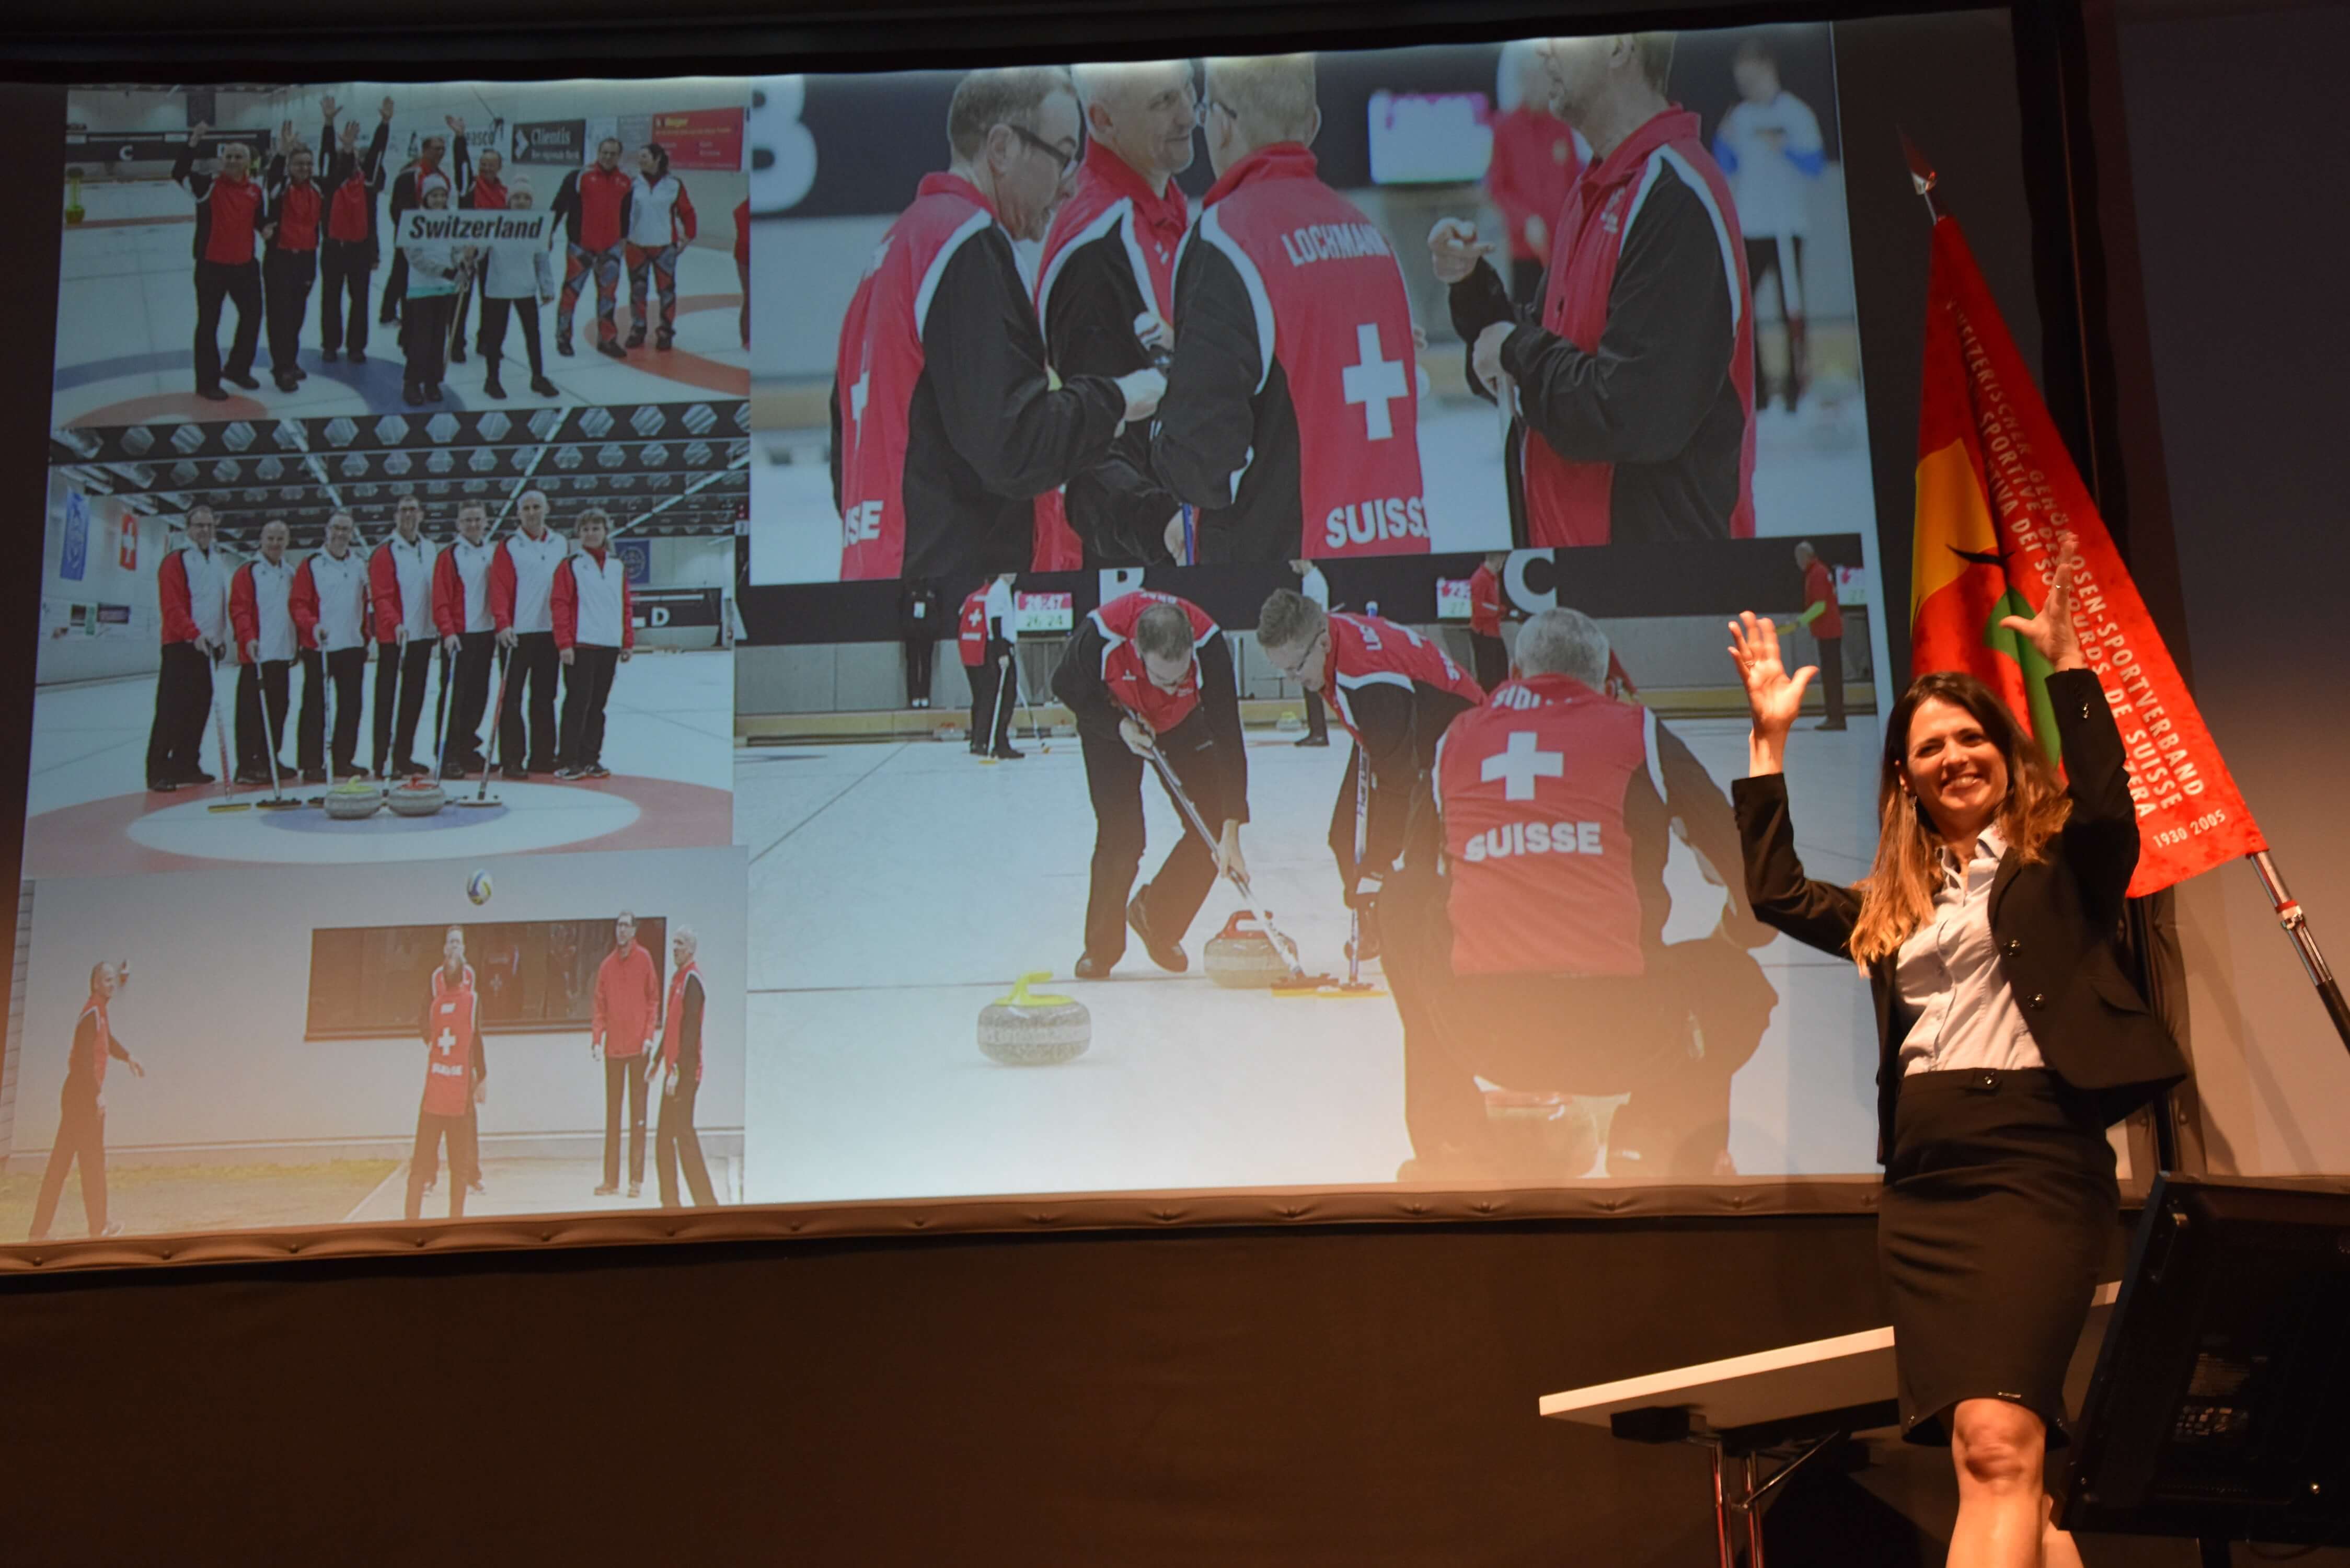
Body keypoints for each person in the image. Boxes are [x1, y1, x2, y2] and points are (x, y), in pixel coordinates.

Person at [1727, 567, 2187, 1568]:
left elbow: (2109, 812)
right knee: (2019, 1479)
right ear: (1906, 777)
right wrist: (1767, 742)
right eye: (1930, 747)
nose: (1954, 757)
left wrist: (2069, 667)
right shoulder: (1892, 908)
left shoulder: (2060, 869)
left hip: (2034, 1171)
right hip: (1924, 1194)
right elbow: (1774, 894)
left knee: (1995, 1448)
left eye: (1970, 737)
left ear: (2005, 755)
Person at [1387, 608, 1773, 1177]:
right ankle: (1655, 1144)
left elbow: (1417, 879)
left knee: (1400, 898)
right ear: (1604, 683)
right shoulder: (1638, 733)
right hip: (1624, 1032)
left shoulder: (1457, 740)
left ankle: (1450, 1143)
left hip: (1481, 1028)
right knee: (1737, 988)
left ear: (1513, 673)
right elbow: (1756, 885)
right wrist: (1732, 936)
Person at [829, 65, 1161, 583]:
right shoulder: (966, 243)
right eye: (1062, 155)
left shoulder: (891, 255)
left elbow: (844, 469)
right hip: (950, 600)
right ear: (1002, 149)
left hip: (880, 581)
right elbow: (1014, 447)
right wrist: (1120, 399)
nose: (1070, 185)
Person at [1431, 32, 1756, 547]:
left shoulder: (1674, 195)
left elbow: (1629, 414)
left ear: (1619, 47)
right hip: (1585, 574)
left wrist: (1514, 350)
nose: (1544, 52)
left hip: (1659, 583)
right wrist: (1473, 292)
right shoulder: (1597, 187)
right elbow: (1547, 347)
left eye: (1561, 37)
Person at [1149, 54, 1429, 567]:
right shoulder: (1370, 237)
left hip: (1285, 578)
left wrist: (1161, 423)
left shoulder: (1227, 237)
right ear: (1312, 124)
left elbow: (1199, 458)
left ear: (1221, 123)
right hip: (1395, 558)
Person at [1254, 587, 1484, 956]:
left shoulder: (1368, 683)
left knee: (1416, 847)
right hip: (1399, 725)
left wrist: (1376, 865)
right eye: (1281, 669)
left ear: (1323, 643)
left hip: (1455, 740)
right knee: (1347, 834)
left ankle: (1420, 933)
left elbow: (1398, 781)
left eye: (1295, 668)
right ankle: (1375, 921)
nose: (1292, 678)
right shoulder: (1329, 638)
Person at [1035, 60, 1197, 567]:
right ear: (1102, 120)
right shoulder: (1097, 251)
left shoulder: (1164, 209)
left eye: (1188, 90)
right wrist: (1164, 527)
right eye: (1163, 102)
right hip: (1130, 569)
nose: (1189, 115)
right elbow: (1091, 451)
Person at [1052, 593, 1249, 977]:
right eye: (1161, 678)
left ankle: (1157, 918)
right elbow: (1064, 686)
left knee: (1210, 829)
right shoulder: (1101, 634)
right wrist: (1119, 726)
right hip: (1113, 721)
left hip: (1182, 722)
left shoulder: (1210, 646)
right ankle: (1101, 949)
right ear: (1137, 651)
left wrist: (1232, 830)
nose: (1171, 687)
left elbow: (1229, 734)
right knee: (1122, 836)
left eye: (1180, 678)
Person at [1714, 38, 1824, 414]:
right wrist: (1723, 140)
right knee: (1744, 310)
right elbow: (1725, 166)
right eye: (1740, 81)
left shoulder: (1797, 113)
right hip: (1751, 226)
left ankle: (1797, 392)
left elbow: (1815, 166)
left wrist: (1784, 146)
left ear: (1768, 70)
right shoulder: (1740, 116)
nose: (1746, 87)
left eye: (1751, 79)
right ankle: (1757, 394)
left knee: (1791, 308)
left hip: (1787, 225)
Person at [27, 962, 145, 1242]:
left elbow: (107, 1043)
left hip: (77, 1096)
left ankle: (40, 1232)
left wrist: (128, 1057)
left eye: (113, 980)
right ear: (95, 984)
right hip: (81, 1097)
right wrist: (96, 1094)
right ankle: (96, 1227)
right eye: (107, 980)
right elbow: (82, 1059)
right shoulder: (92, 1013)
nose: (112, 984)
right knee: (89, 1162)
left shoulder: (99, 1013)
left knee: (65, 1163)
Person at [1484, 41, 1585, 307]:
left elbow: (1575, 183)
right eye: (1531, 79)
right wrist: (1526, 220)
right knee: (1528, 311)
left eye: (1542, 79)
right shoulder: (1505, 129)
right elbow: (1497, 188)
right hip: (1525, 250)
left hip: (1562, 248)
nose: (1538, 86)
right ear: (1522, 82)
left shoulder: (1562, 129)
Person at [170, 126, 264, 402]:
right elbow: (179, 173)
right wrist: (193, 142)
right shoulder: (207, 186)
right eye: (228, 156)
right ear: (222, 160)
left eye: (238, 157)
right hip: (212, 268)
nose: (232, 161)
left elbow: (259, 220)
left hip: (245, 267)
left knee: (252, 317)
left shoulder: (256, 191)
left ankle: (237, 369)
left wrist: (267, 229)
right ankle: (207, 382)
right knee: (209, 323)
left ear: (248, 162)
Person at [145, 505, 231, 792]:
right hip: (182, 646)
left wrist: (219, 638)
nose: (205, 531)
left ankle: (186, 763)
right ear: (188, 528)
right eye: (199, 525)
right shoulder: (176, 560)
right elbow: (172, 606)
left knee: (198, 709)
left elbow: (216, 603)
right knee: (172, 709)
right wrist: (193, 634)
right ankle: (158, 769)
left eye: (209, 526)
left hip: (208, 648)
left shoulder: (216, 560)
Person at [407, 927, 488, 1221]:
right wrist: (482, 1074)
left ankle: (411, 1220)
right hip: (457, 1090)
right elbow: (476, 1037)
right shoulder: (470, 1001)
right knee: (457, 1165)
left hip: (437, 1086)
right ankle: (455, 1219)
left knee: (421, 1159)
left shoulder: (438, 1005)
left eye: (458, 943)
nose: (454, 947)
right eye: (451, 942)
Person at [552, 506, 634, 780]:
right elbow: (560, 604)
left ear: (605, 532)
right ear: (578, 534)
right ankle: (568, 759)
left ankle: (591, 758)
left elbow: (625, 604)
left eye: (596, 529)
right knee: (578, 703)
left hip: (608, 645)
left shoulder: (616, 566)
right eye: (585, 529)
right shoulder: (571, 565)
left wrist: (627, 640)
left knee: (598, 706)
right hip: (581, 645)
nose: (591, 534)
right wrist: (564, 643)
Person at [489, 490, 568, 776]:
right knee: (512, 699)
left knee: (545, 697)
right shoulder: (510, 545)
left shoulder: (560, 543)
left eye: (537, 507)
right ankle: (512, 759)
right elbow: (498, 587)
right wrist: (503, 623)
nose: (532, 513)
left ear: (547, 510)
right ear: (518, 513)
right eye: (526, 508)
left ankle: (543, 756)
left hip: (549, 632)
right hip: (517, 634)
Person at [290, 510, 371, 781]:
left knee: (351, 706)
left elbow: (367, 602)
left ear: (352, 533)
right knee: (315, 706)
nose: (340, 534)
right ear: (327, 530)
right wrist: (313, 626)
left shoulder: (358, 565)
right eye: (336, 528)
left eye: (346, 529)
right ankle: (311, 763)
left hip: (352, 646)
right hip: (320, 648)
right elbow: (298, 603)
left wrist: (366, 635)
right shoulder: (312, 564)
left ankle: (343, 760)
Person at [590, 911, 660, 1198]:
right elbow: (599, 1006)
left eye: (626, 926)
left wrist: (649, 1036)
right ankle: (610, 1180)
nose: (621, 930)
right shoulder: (607, 966)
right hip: (614, 1050)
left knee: (638, 1116)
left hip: (638, 1049)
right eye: (618, 925)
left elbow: (653, 1000)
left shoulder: (645, 960)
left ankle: (636, 1180)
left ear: (634, 930)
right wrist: (597, 1039)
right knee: (613, 1116)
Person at [368, 495, 439, 778]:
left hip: (423, 637)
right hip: (395, 638)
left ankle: (404, 757)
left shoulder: (430, 548)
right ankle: (382, 759)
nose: (409, 515)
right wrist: (394, 623)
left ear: (421, 515)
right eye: (403, 511)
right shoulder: (385, 552)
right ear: (396, 516)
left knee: (413, 699)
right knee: (388, 700)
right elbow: (381, 596)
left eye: (413, 510)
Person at [318, 99, 391, 364]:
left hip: (360, 249)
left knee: (360, 299)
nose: (356, 161)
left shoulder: (367, 184)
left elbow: (377, 153)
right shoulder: (331, 183)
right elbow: (327, 154)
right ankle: (330, 344)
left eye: (359, 158)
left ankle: (356, 346)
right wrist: (328, 123)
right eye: (350, 156)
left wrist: (385, 124)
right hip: (333, 247)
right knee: (331, 298)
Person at [550, 136, 633, 361]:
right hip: (581, 249)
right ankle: (563, 337)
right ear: (598, 153)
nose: (608, 157)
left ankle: (607, 340)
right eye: (604, 153)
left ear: (619, 156)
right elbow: (558, 206)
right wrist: (548, 234)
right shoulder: (579, 177)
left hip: (611, 249)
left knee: (609, 297)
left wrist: (624, 239)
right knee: (571, 294)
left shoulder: (626, 181)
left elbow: (626, 213)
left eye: (613, 154)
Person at [431, 501, 499, 777]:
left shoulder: (491, 553)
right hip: (460, 636)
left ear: (486, 522)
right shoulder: (451, 555)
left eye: (477, 520)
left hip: (485, 634)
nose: (473, 525)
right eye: (468, 520)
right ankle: (447, 754)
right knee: (454, 697)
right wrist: (448, 631)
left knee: (478, 695)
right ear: (459, 524)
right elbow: (440, 597)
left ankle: (467, 749)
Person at [652, 925, 717, 1208]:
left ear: (691, 949)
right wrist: (657, 1061)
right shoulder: (677, 979)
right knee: (664, 1139)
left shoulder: (692, 981)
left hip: (686, 1073)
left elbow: (690, 1032)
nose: (675, 948)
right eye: (674, 943)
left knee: (684, 1136)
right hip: (673, 1072)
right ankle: (670, 1204)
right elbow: (671, 1026)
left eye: (680, 944)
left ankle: (707, 1204)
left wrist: (678, 1072)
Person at [475, 175, 557, 400]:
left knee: (533, 334)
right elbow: (480, 251)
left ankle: (538, 377)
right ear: (509, 200)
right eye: (517, 197)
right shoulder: (496, 223)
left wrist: (547, 288)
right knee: (496, 336)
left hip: (526, 288)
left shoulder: (537, 226)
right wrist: (472, 250)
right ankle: (492, 379)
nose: (521, 202)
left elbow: (542, 259)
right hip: (498, 289)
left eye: (526, 198)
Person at [229, 520, 298, 784]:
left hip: (282, 655)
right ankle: (247, 765)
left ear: (287, 542)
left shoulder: (290, 573)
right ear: (261, 540)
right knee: (251, 713)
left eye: (280, 539)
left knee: (278, 710)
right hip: (257, 656)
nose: (275, 544)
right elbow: (239, 609)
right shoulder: (249, 572)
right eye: (271, 538)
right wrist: (248, 638)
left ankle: (270, 758)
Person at [259, 137, 324, 393]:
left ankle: (290, 360)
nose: (305, 169)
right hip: (280, 259)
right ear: (289, 166)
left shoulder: (317, 188)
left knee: (297, 314)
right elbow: (273, 179)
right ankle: (281, 368)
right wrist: (281, 154)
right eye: (299, 164)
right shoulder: (280, 187)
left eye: (308, 164)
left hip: (307, 259)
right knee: (280, 316)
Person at [396, 183, 468, 407]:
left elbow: (456, 249)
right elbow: (415, 258)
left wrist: (462, 263)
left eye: (442, 195)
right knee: (421, 338)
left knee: (439, 338)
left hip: (445, 288)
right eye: (434, 195)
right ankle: (412, 382)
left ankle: (432, 382)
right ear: (425, 197)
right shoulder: (415, 220)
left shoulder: (451, 219)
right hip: (422, 288)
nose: (439, 200)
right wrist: (445, 272)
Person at [624, 142, 697, 352]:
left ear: (657, 159)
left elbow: (687, 212)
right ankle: (638, 329)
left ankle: (665, 332)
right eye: (639, 157)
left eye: (645, 156)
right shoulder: (632, 184)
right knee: (638, 291)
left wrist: (688, 237)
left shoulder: (673, 185)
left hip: (664, 247)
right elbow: (621, 213)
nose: (640, 160)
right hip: (636, 245)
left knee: (666, 292)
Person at [379, 127, 454, 330]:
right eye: (436, 149)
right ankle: (392, 314)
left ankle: (400, 315)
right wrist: (411, 231)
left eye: (443, 149)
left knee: (408, 274)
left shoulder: (441, 176)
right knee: (402, 273)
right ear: (425, 150)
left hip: (433, 237)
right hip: (411, 235)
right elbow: (397, 208)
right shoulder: (410, 174)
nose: (440, 153)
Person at [446, 118, 504, 365]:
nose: (486, 168)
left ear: (499, 167)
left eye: (491, 165)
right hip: (468, 250)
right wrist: (460, 139)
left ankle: (486, 341)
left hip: (492, 252)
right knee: (462, 297)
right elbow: (461, 164)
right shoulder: (469, 186)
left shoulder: (504, 193)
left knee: (490, 300)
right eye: (483, 164)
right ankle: (457, 343)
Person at [1790, 540, 1844, 730]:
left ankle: (1836, 717)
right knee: (1831, 676)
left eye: (1799, 558)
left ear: (1807, 556)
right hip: (1828, 631)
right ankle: (1834, 715)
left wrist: (1801, 621)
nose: (1798, 562)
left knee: (1832, 677)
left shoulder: (1817, 574)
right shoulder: (1818, 571)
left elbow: (1820, 606)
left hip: (1829, 631)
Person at [975, 570, 1021, 760]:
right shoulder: (998, 591)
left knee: (1009, 696)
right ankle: (997, 742)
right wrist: (1002, 652)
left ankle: (1000, 740)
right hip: (999, 648)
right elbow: (996, 623)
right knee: (1003, 696)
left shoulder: (1006, 590)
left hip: (1006, 646)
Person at [1289, 559, 1331, 746]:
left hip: (1314, 640)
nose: (1291, 566)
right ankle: (1317, 731)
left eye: (1292, 561)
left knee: (1312, 686)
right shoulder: (1310, 579)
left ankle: (1319, 733)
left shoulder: (1314, 581)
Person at [958, 580, 996, 755]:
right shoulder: (993, 597)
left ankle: (975, 740)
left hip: (968, 651)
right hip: (983, 652)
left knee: (978, 698)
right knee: (987, 699)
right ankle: (982, 741)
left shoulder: (970, 598)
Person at [1466, 551, 1511, 692]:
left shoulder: (1492, 578)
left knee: (1500, 671)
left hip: (1492, 632)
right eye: (1502, 561)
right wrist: (1497, 610)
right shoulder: (1480, 579)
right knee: (1489, 675)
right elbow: (1476, 607)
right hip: (1483, 633)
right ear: (1498, 560)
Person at [897, 577, 941, 709]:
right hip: (912, 633)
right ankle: (914, 696)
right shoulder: (908, 588)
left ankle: (925, 695)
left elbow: (939, 608)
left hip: (927, 633)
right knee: (913, 665)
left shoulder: (933, 588)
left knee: (926, 664)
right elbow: (901, 608)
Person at [732, 195, 750, 349]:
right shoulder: (743, 210)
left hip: (746, 253)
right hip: (745, 255)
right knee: (750, 296)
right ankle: (747, 339)